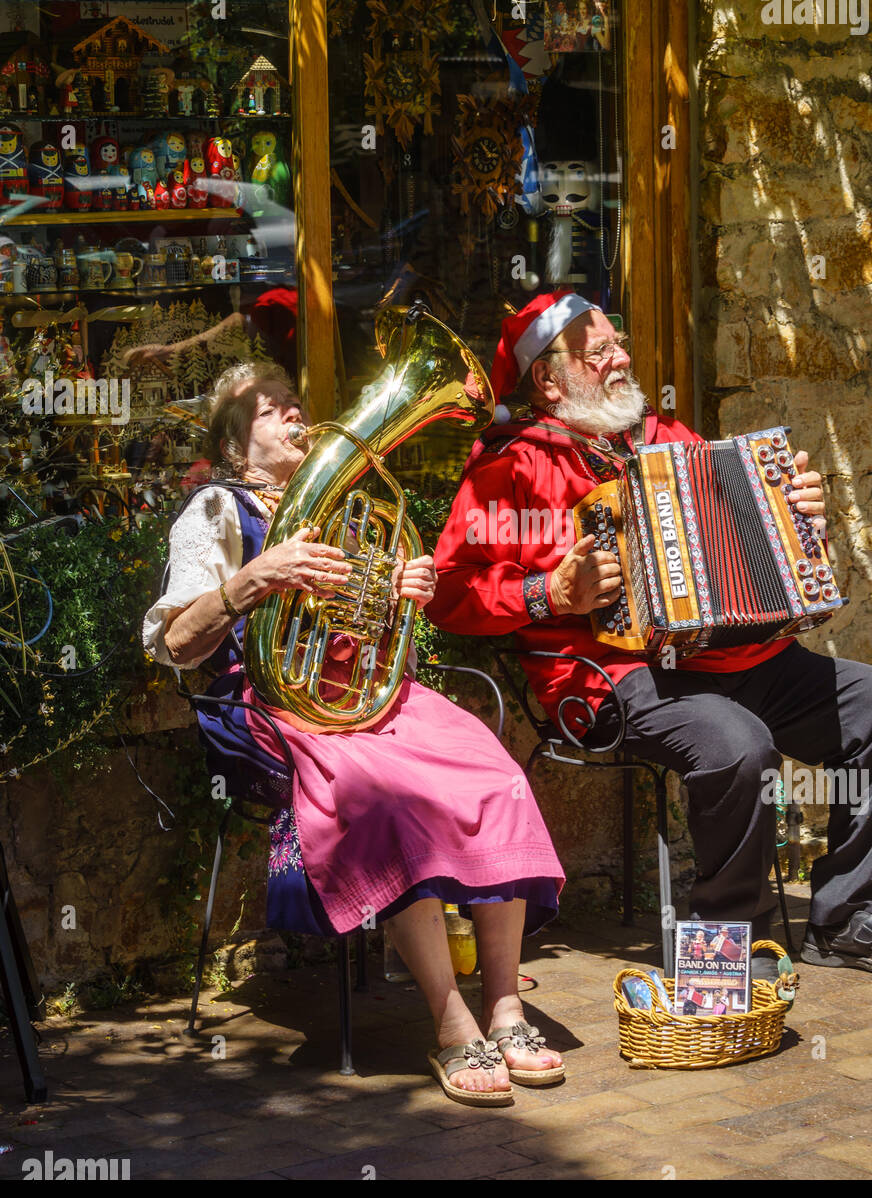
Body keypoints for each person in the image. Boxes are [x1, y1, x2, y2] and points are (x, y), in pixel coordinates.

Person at [426, 291, 872, 982]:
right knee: (737, 743)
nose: (621, 359)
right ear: (549, 381)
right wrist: (546, 592)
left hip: (726, 658)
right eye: (599, 354)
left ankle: (848, 916)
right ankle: (726, 941)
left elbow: (752, 536)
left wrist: (799, 515)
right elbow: (447, 591)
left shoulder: (670, 440)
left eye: (619, 344)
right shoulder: (514, 466)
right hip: (611, 678)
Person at [142, 360, 566, 1105]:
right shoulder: (213, 509)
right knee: (388, 797)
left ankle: (505, 1007)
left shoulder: (349, 500)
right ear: (239, 448)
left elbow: (379, 632)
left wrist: (404, 595)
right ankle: (451, 1020)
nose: (292, 413)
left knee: (496, 773)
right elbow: (177, 645)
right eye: (269, 410)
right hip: (270, 703)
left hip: (366, 695)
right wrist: (255, 576)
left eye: (292, 400)